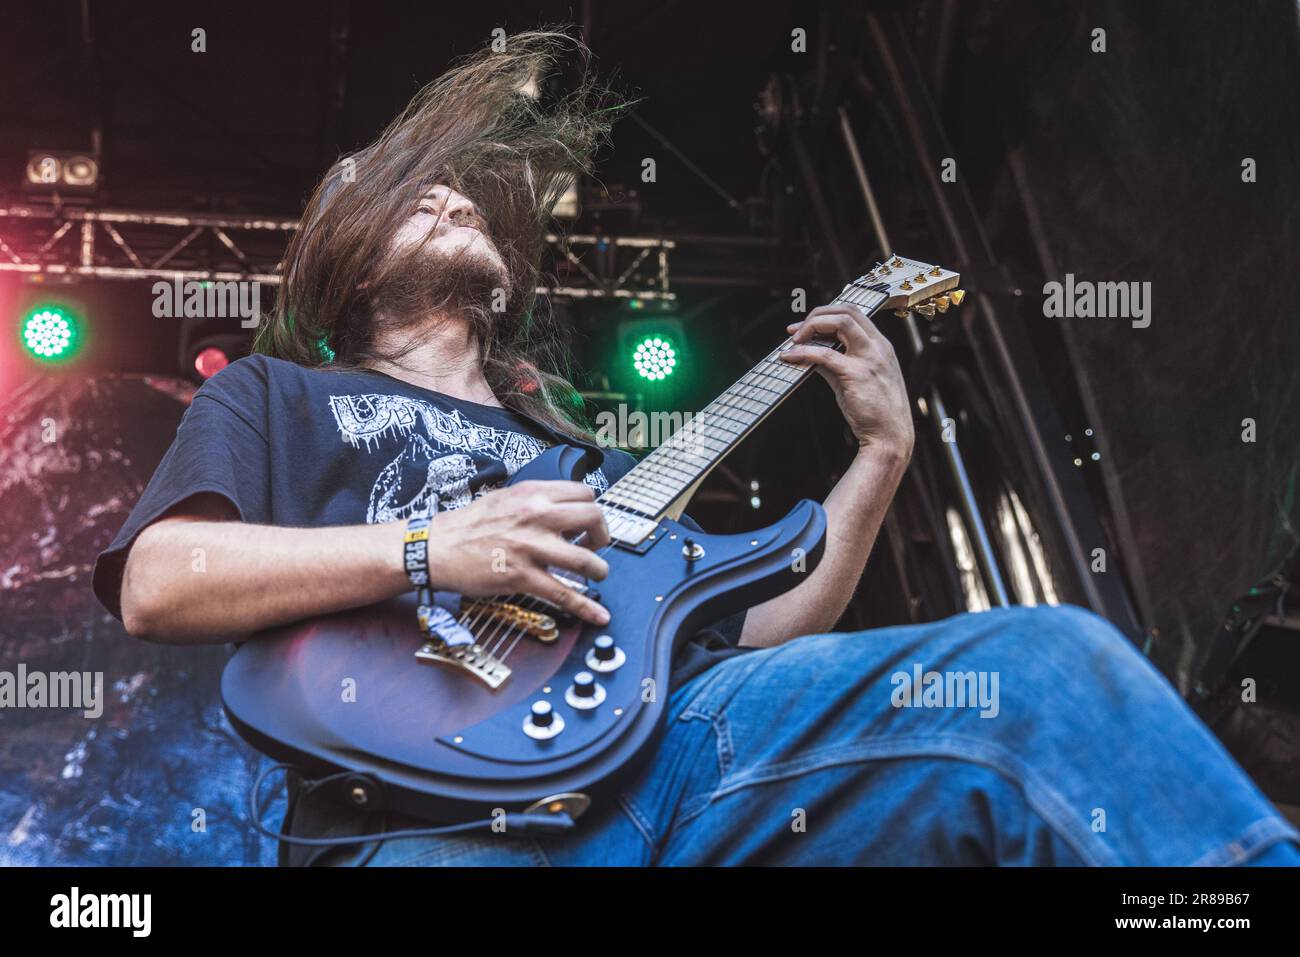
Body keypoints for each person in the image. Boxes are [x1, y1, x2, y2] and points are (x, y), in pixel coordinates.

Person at [92, 30, 1298, 866]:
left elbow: (753, 631)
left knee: (1044, 673)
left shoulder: (577, 458)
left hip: (684, 756)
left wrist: (877, 460)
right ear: (342, 257)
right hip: (427, 818)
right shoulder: (277, 398)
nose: (457, 200)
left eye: (469, 199)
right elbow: (160, 584)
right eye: (420, 199)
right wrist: (433, 548)